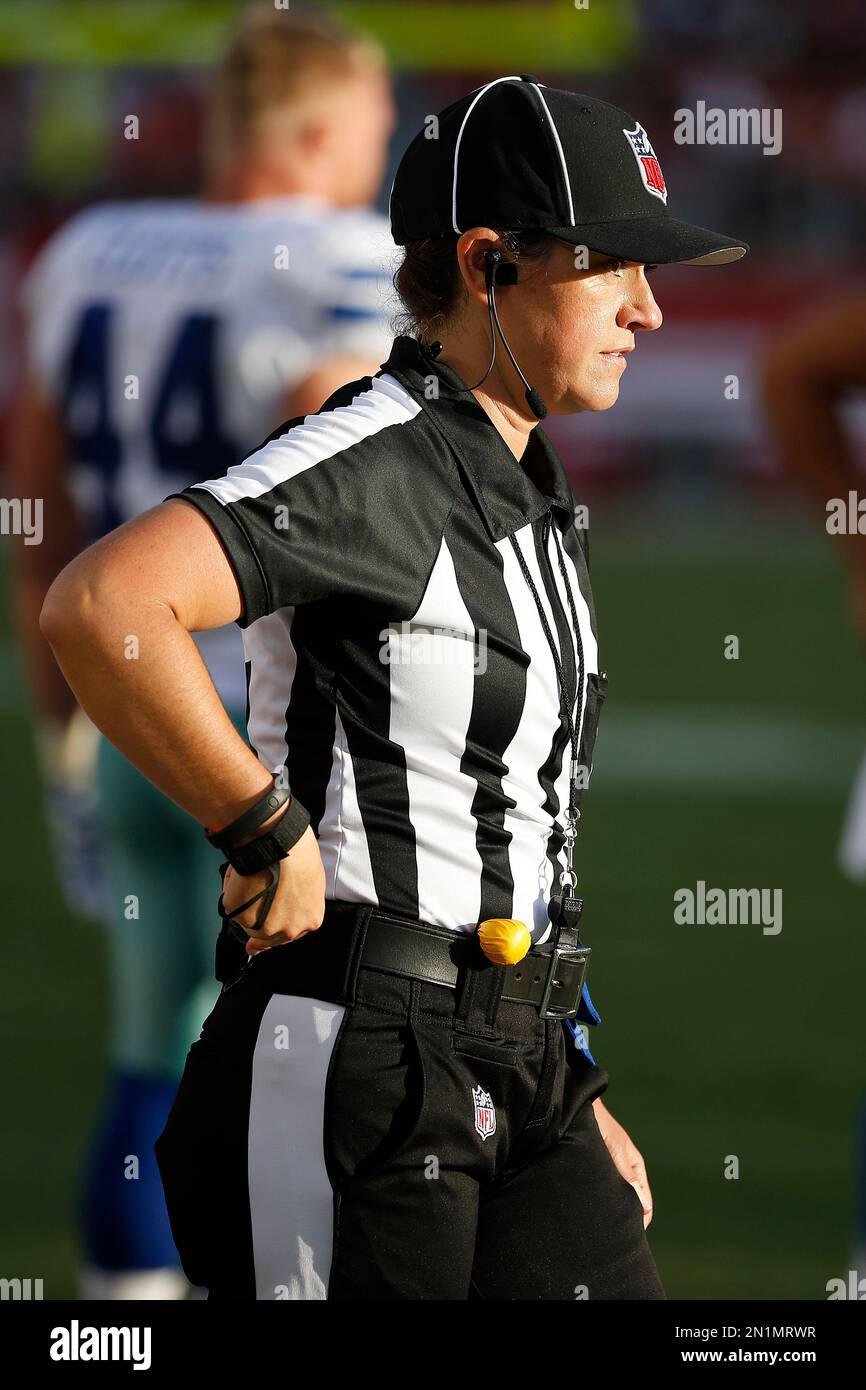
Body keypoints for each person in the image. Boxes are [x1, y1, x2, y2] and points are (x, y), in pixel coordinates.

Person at [40, 76, 748, 1300]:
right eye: (613, 264)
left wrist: (569, 1075)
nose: (649, 306)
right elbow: (101, 606)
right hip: (354, 1055)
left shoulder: (527, 483)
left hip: (515, 1053)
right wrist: (263, 826)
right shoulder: (371, 455)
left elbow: (523, 822)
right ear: (487, 263)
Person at [12, 5, 395, 1299]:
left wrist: (59, 727)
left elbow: (39, 512)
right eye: (370, 131)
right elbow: (336, 469)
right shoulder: (339, 259)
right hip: (263, 727)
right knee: (311, 1080)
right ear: (316, 127)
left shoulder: (88, 252)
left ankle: (122, 1315)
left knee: (149, 1053)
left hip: (123, 709)